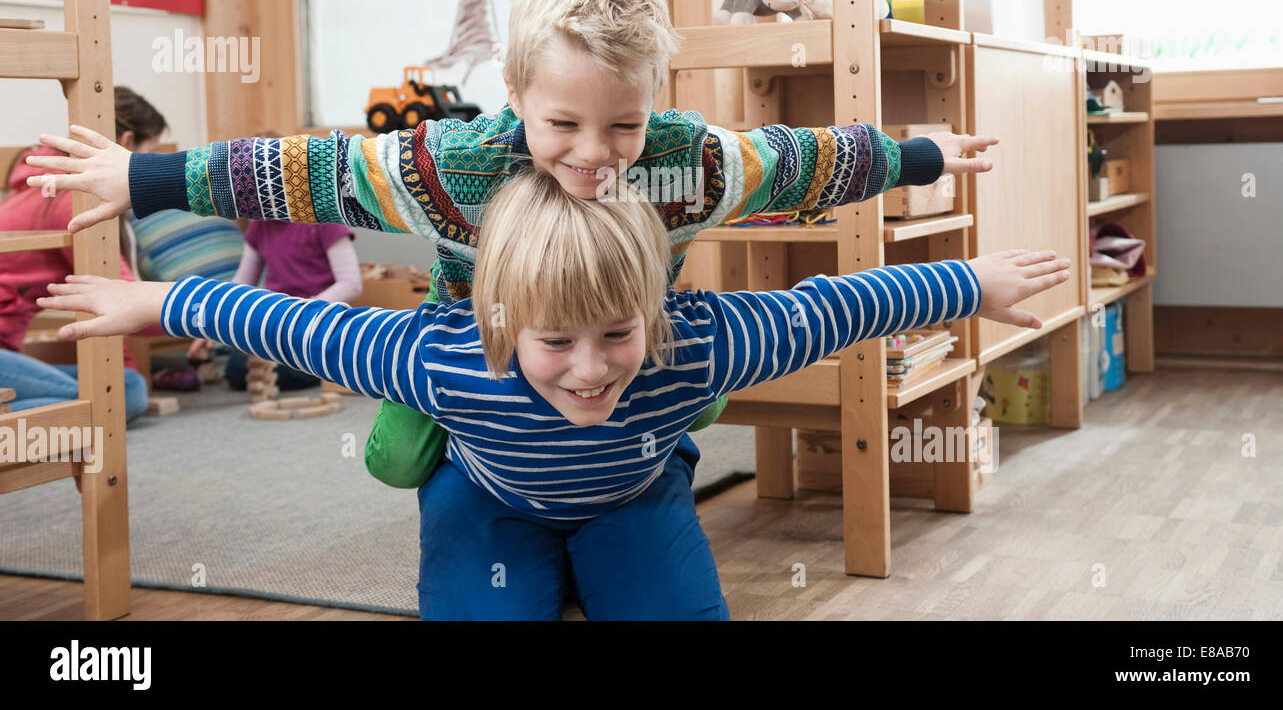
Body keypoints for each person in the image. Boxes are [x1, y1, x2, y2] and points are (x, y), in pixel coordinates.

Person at [26, 0, 1002, 491]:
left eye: (621, 124)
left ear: (653, 104)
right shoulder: (451, 165)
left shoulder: (688, 161)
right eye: (563, 124)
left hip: (626, 338)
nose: (592, 153)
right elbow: (308, 170)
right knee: (402, 459)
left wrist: (916, 156)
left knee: (693, 394)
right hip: (479, 347)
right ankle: (455, 440)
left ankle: (645, 440)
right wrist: (147, 179)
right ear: (514, 95)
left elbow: (806, 160)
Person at [42, 169, 1070, 620]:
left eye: (617, 335)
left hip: (632, 492)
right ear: (500, 329)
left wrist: (975, 284)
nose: (589, 368)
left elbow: (835, 306)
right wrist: (148, 302)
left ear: (655, 317)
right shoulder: (444, 358)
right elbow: (295, 321)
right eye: (555, 343)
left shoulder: (692, 346)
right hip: (489, 496)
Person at [0, 87, 167, 424]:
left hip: (6, 354)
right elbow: (124, 300)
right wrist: (215, 319)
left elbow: (104, 299)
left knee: (118, 385)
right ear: (128, 142)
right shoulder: (72, 200)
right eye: (149, 157)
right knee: (125, 393)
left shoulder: (43, 188)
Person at [190, 131, 363, 391]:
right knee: (238, 370)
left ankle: (328, 366)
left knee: (296, 368)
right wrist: (209, 327)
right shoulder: (259, 226)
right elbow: (241, 285)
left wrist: (300, 312)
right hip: (276, 323)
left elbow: (351, 284)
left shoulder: (323, 218)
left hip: (316, 320)